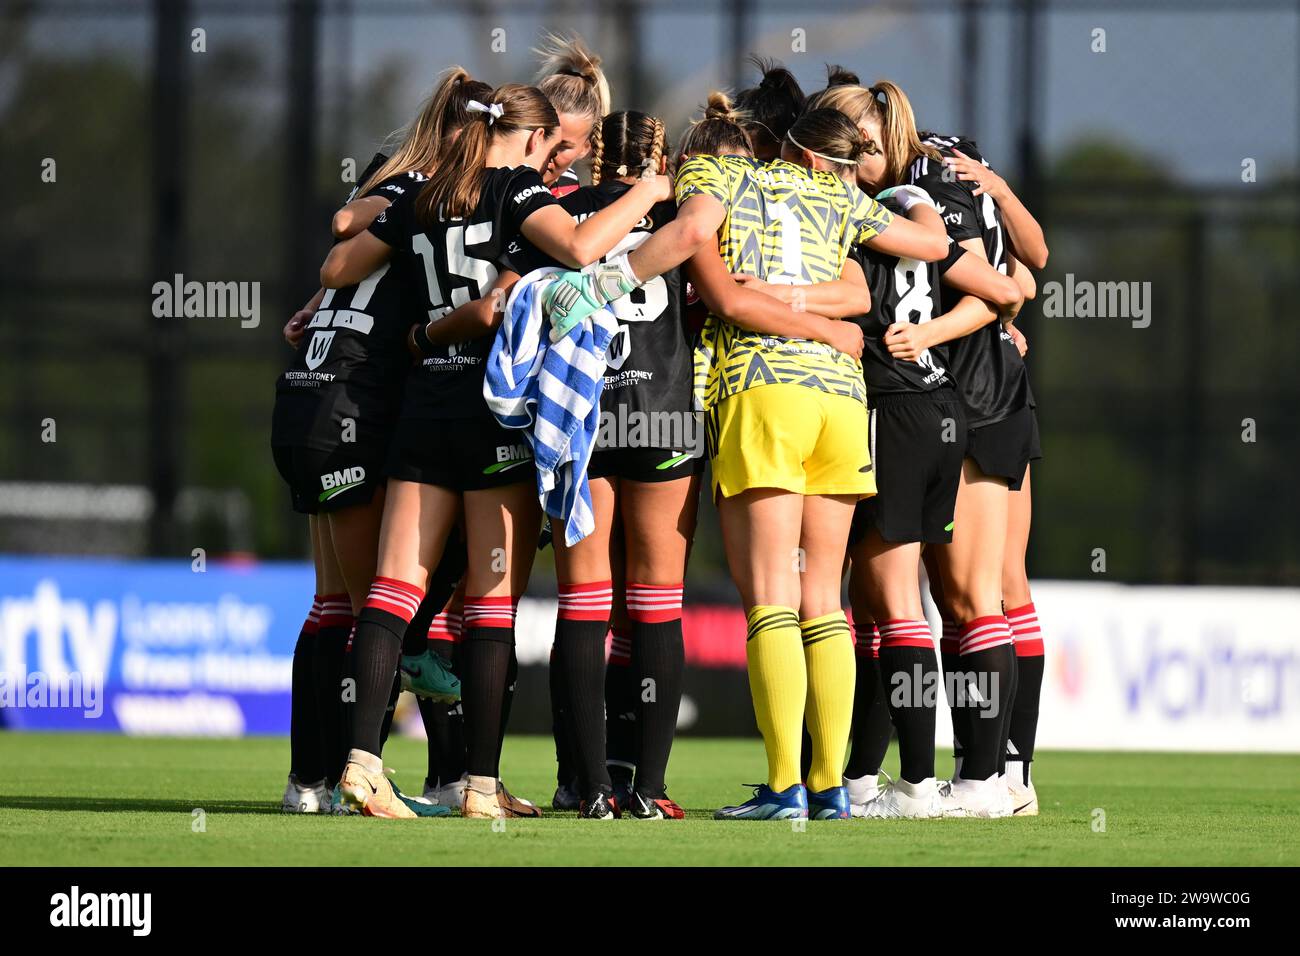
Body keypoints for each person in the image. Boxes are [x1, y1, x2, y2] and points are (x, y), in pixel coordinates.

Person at [542, 103, 948, 820]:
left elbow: (710, 264)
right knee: (826, 602)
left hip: (764, 391)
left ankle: (786, 787)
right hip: (841, 400)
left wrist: (608, 282)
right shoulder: (838, 193)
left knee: (770, 600)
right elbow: (923, 249)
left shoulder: (714, 175)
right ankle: (832, 790)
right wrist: (897, 203)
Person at [320, 82, 672, 819]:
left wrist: (418, 319)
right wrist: (650, 192)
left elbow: (336, 270)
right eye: (555, 147)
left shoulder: (423, 194)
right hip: (493, 411)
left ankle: (360, 762)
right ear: (536, 140)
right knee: (491, 603)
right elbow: (581, 246)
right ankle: (480, 784)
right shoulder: (515, 190)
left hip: (424, 404)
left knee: (391, 592)